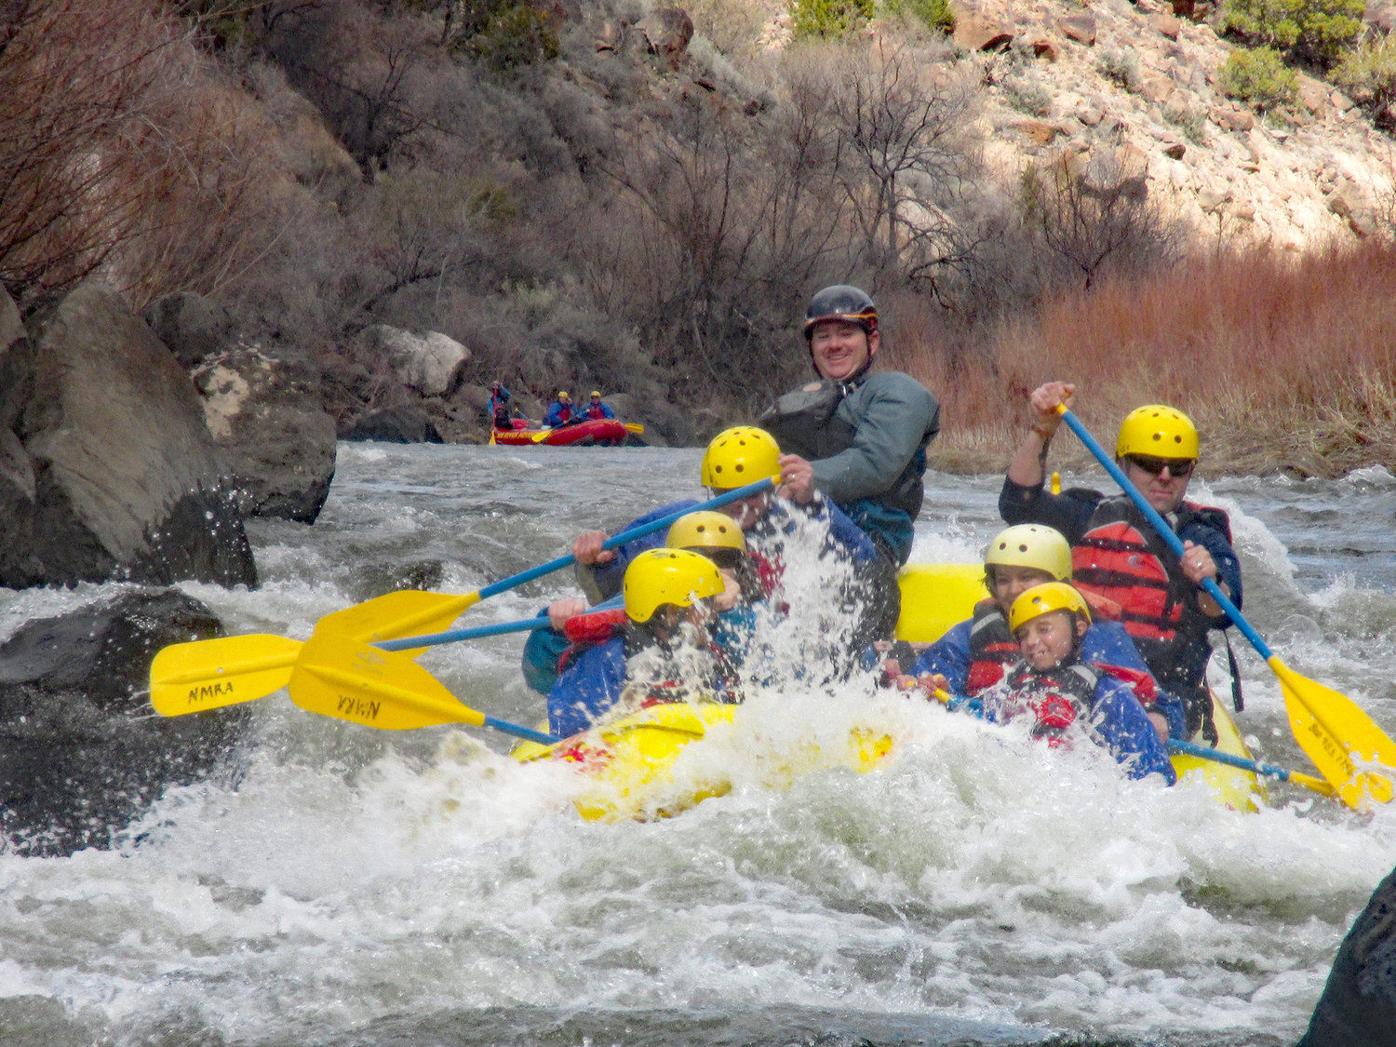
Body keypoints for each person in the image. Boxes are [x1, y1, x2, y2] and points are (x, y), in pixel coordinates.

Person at [999, 382, 1242, 739]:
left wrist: (1208, 579)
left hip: (1164, 692)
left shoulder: (1200, 532)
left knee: (1147, 727)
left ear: (1190, 471)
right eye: (1149, 464)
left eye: (1177, 468)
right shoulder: (1088, 514)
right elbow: (1018, 506)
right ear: (1123, 464)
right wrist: (1041, 431)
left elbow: (1225, 609)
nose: (1163, 477)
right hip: (1076, 676)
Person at [760, 285, 940, 636]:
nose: (834, 344)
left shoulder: (899, 393)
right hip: (795, 535)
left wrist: (812, 480)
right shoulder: (792, 408)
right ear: (812, 349)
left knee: (861, 580)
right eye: (823, 336)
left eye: (846, 333)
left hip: (870, 540)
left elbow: (876, 464)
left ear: (871, 342)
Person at [897, 523, 1185, 741]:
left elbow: (1159, 704)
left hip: (1070, 752)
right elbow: (928, 678)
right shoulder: (971, 633)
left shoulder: (1097, 634)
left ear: (1058, 583)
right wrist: (927, 690)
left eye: (1027, 578)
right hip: (991, 744)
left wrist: (1158, 719)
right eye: (1004, 580)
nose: (1013, 590)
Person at [522, 510, 765, 698]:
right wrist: (552, 629)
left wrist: (730, 614)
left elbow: (770, 679)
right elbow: (540, 677)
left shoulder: (761, 617)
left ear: (740, 569)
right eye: (695, 556)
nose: (709, 567)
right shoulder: (637, 611)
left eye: (723, 559)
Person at [984, 582, 1176, 784]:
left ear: (1079, 628)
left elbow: (1153, 773)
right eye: (1023, 635)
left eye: (1044, 629)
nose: (1031, 641)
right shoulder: (1010, 686)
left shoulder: (1106, 691)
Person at [545, 548, 734, 739]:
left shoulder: (703, 655)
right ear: (672, 613)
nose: (712, 614)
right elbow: (571, 731)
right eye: (704, 604)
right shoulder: (605, 660)